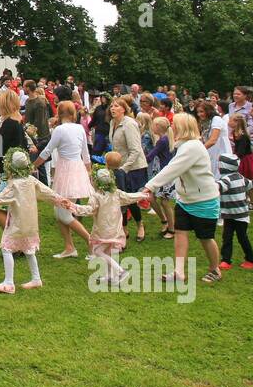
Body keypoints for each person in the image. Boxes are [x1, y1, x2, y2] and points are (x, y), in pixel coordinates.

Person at [141, 112, 223, 284]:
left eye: (175, 124)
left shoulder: (192, 147)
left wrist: (150, 186)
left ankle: (214, 269)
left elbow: (173, 169)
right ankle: (178, 272)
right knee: (180, 233)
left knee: (205, 237)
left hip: (204, 200)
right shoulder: (183, 145)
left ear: (183, 127)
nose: (172, 127)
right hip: (185, 200)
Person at [0, 148, 70, 294]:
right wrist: (61, 200)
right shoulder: (32, 181)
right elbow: (47, 192)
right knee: (29, 250)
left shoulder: (14, 185)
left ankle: (9, 282)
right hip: (31, 224)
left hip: (17, 224)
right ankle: (36, 278)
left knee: (6, 249)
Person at [64, 156, 145, 285]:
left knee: (97, 251)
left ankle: (120, 271)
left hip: (103, 230)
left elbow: (89, 210)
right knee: (108, 251)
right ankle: (109, 276)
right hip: (115, 229)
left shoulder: (96, 197)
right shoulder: (116, 193)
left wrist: (72, 206)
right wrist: (143, 195)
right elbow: (130, 197)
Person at [32, 100, 95, 258]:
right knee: (59, 210)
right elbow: (86, 154)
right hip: (75, 169)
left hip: (68, 171)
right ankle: (69, 247)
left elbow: (47, 151)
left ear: (59, 113)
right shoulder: (79, 128)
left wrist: (33, 165)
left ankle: (92, 242)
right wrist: (88, 172)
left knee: (64, 213)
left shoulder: (59, 130)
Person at [108, 98, 149, 240]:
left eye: (116, 106)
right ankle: (124, 229)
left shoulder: (129, 124)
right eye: (111, 106)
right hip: (118, 167)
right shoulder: (113, 123)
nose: (112, 108)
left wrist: (124, 168)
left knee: (129, 199)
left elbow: (136, 150)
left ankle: (140, 225)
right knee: (119, 198)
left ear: (124, 109)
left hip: (133, 167)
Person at [215, 152, 253, 270]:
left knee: (241, 237)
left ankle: (250, 259)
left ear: (224, 166)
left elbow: (219, 187)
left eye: (220, 164)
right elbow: (251, 184)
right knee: (227, 237)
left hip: (239, 215)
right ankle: (226, 260)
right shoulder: (240, 177)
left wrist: (208, 186)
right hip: (229, 215)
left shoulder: (226, 180)